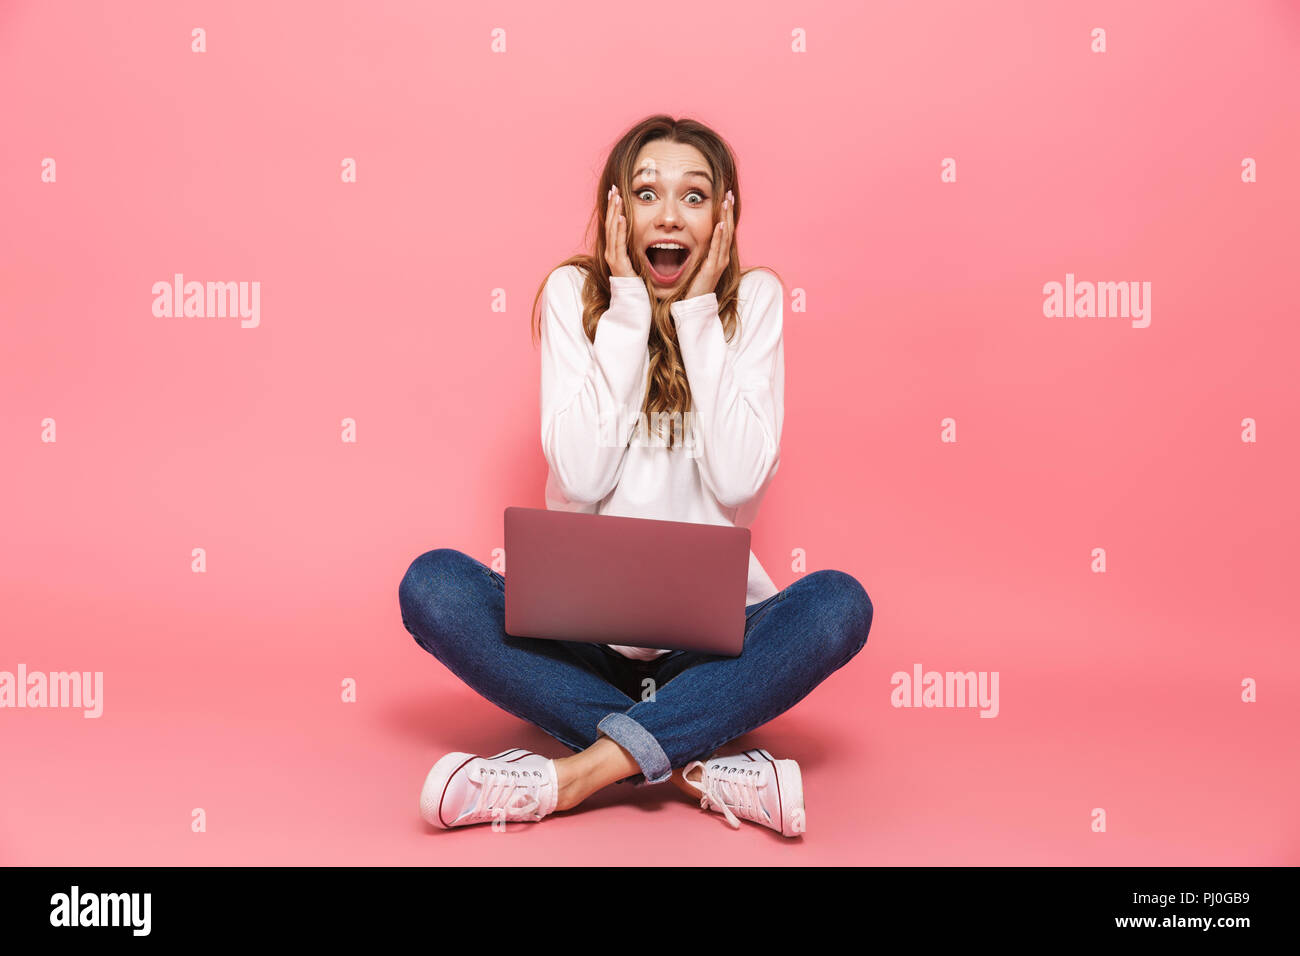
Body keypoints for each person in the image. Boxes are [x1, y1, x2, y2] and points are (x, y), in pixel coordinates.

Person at [399, 114, 873, 837]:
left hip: (708, 651)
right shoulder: (572, 295)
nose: (670, 215)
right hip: (582, 646)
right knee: (432, 585)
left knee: (839, 605)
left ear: (723, 216)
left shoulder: (756, 304)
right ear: (616, 209)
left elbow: (740, 479)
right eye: (647, 193)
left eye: (694, 196)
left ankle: (573, 775)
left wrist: (698, 315)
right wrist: (626, 308)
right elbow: (584, 477)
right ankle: (692, 765)